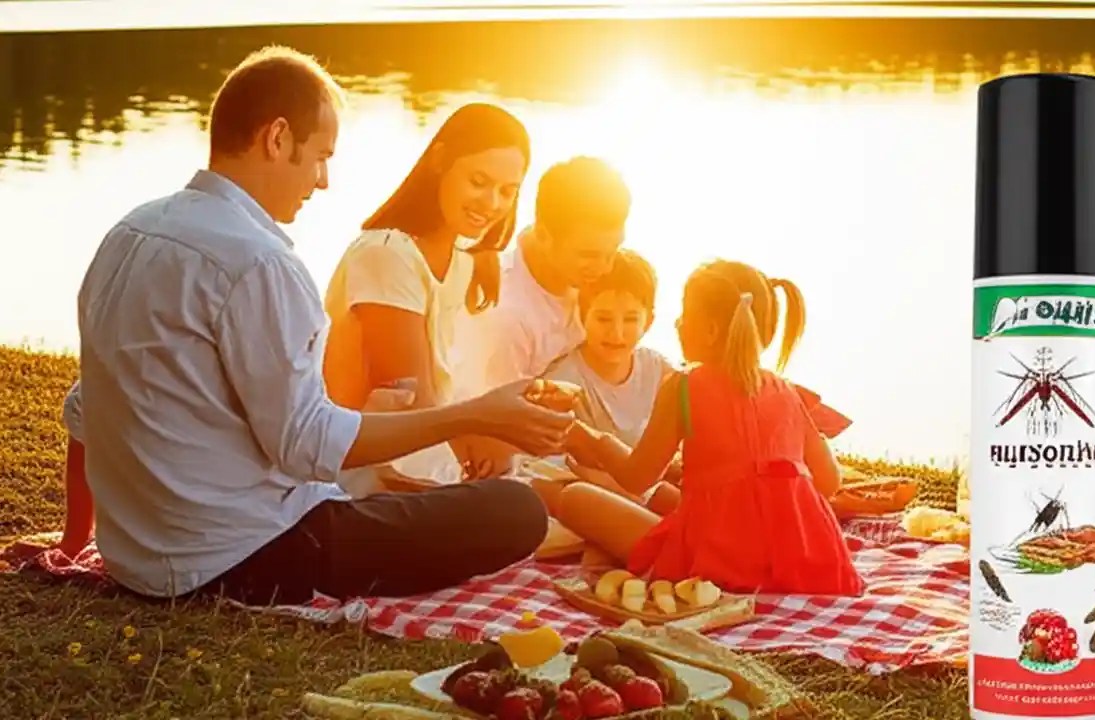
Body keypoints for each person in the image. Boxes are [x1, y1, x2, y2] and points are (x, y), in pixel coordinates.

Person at [5, 45, 573, 606]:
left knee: (454, 499)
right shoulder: (260, 262)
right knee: (515, 511)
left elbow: (86, 407)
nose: (323, 180)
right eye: (320, 155)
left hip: (136, 558)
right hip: (246, 555)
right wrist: (480, 413)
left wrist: (77, 541)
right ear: (277, 139)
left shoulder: (129, 233)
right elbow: (307, 444)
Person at [557, 259, 865, 597]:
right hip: (805, 563)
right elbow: (829, 481)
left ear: (710, 330)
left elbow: (637, 478)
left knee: (575, 498)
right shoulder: (788, 392)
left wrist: (589, 437)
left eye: (685, 315)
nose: (677, 323)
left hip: (711, 564)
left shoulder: (684, 386)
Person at [322, 102, 531, 487]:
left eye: (507, 191)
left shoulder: (459, 264)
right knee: (522, 504)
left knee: (534, 478)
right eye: (479, 182)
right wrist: (482, 437)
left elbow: (441, 392)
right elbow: (410, 400)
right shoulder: (386, 253)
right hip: (358, 474)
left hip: (418, 456)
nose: (492, 204)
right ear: (440, 161)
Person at [453, 155, 632, 400]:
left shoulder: (593, 274)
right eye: (589, 255)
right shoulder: (509, 317)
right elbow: (492, 422)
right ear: (545, 235)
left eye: (613, 251)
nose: (605, 268)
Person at [542, 248, 674, 447]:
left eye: (630, 319)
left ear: (648, 322)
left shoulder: (659, 372)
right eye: (603, 319)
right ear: (582, 315)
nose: (616, 334)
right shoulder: (562, 382)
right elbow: (544, 465)